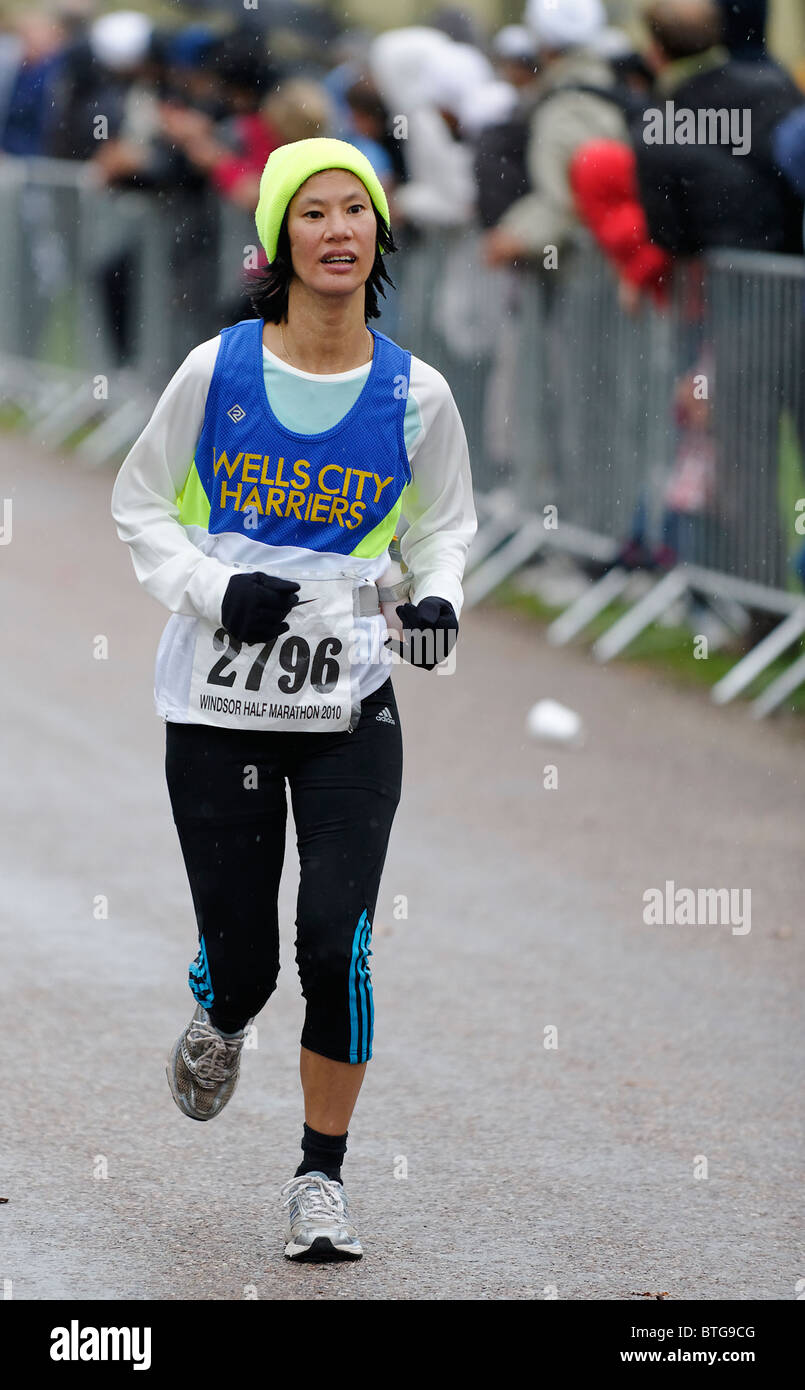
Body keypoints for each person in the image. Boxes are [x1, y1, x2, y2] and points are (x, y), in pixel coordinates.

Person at [111, 136, 477, 1261]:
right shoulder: (215, 373)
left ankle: (320, 1178)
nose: (335, 231)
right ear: (277, 242)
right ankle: (220, 1011)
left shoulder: (416, 392)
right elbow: (139, 505)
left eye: (353, 211)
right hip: (217, 707)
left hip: (350, 708)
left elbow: (443, 527)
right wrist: (217, 588)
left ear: (377, 236)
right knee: (251, 964)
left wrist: (436, 598)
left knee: (336, 940)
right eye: (311, 213)